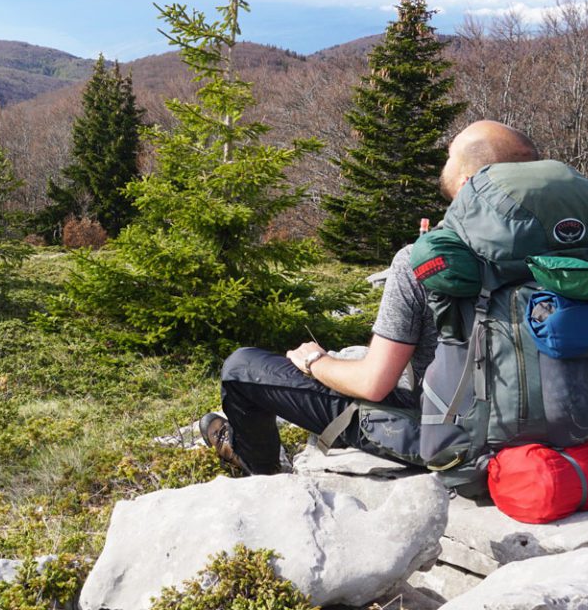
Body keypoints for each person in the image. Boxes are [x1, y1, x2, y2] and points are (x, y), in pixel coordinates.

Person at [202, 120, 542, 475]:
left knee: (242, 369)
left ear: (468, 182)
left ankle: (264, 473)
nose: (445, 156)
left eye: (452, 153)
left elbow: (373, 384)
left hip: (455, 443)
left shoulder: (423, 261)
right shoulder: (577, 254)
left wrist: (315, 360)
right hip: (563, 439)